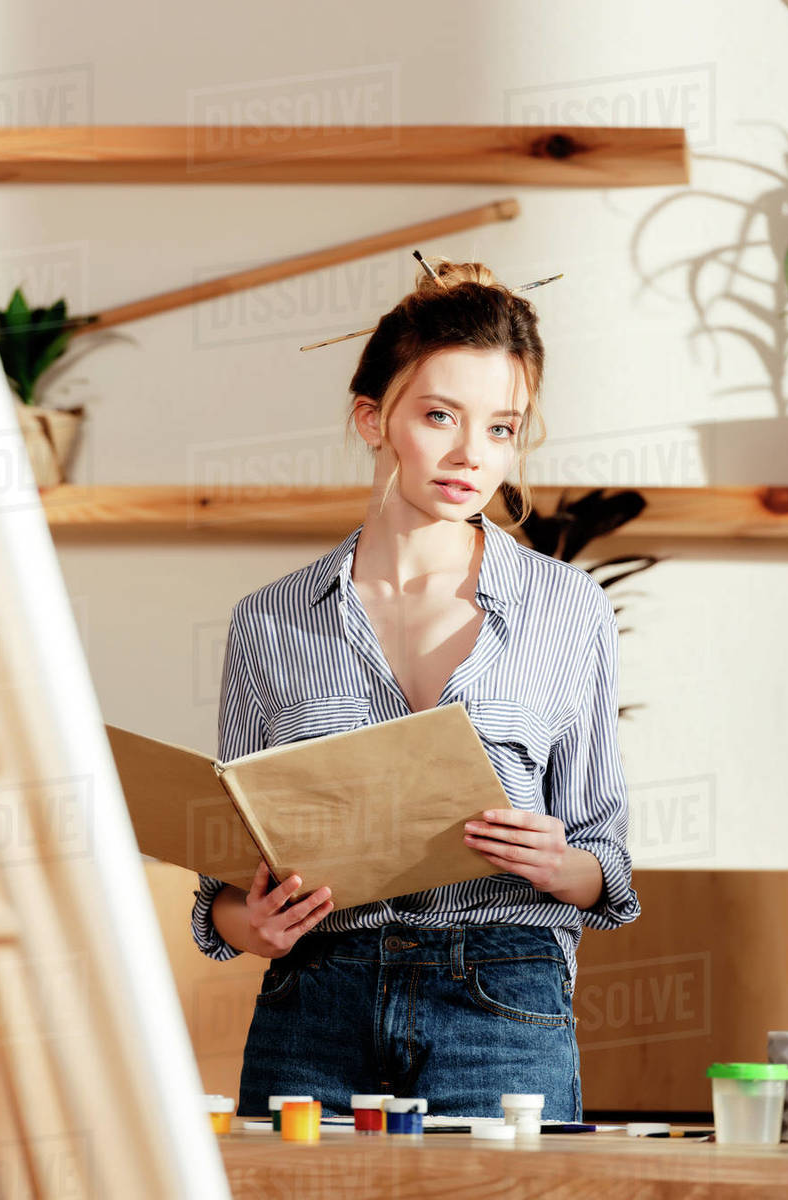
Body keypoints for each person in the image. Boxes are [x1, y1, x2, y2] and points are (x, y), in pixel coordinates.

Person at [191, 256, 640, 1121]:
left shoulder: (567, 610)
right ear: (373, 418)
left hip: (501, 996)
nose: (473, 455)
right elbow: (226, 884)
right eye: (439, 416)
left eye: (502, 428)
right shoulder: (270, 621)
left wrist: (560, 863)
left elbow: (605, 865)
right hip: (314, 1000)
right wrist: (260, 925)